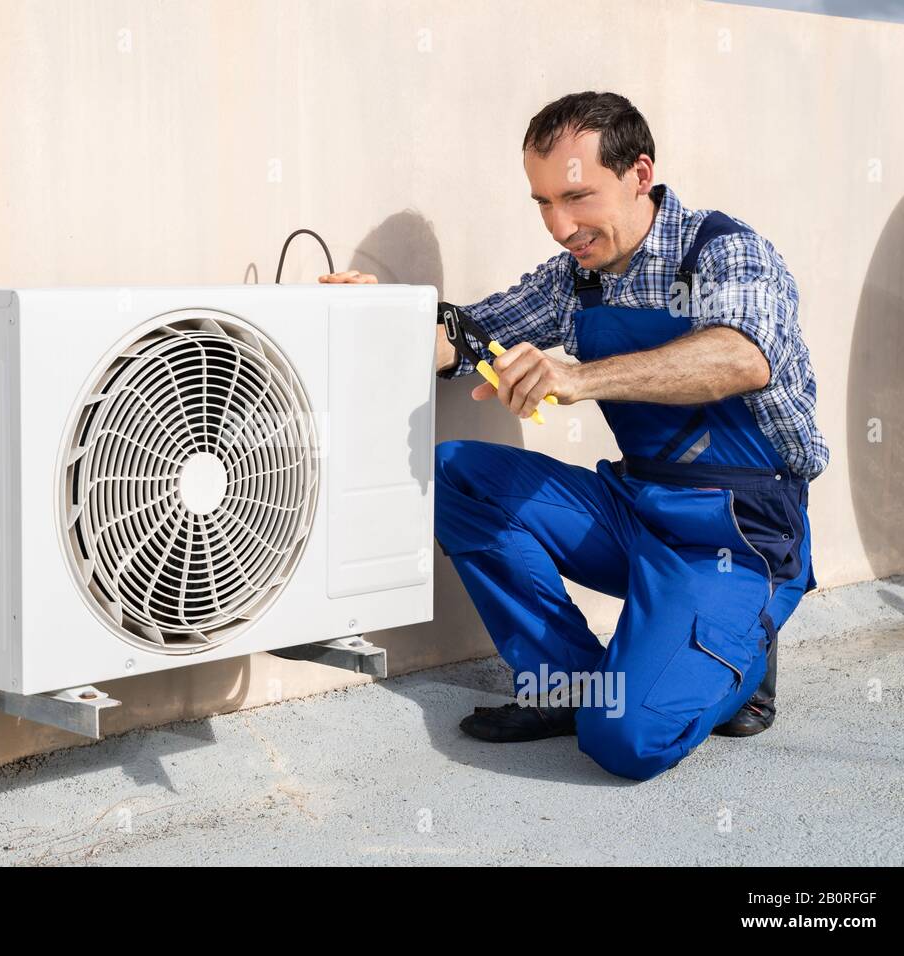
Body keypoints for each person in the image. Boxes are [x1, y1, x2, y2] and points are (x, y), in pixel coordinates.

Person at [320, 91, 827, 781]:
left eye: (577, 197)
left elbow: (741, 355)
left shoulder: (724, 250)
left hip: (737, 534)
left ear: (640, 175)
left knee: (626, 743)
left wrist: (582, 378)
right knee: (456, 474)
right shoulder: (576, 279)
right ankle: (565, 682)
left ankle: (740, 654)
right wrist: (371, 319)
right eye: (543, 203)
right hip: (636, 509)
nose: (561, 226)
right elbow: (466, 336)